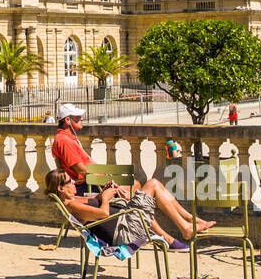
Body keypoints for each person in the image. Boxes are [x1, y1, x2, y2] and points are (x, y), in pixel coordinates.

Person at [45, 169, 215, 250]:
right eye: (69, 182)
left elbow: (95, 202)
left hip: (124, 223)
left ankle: (188, 220)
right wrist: (105, 198)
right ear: (60, 188)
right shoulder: (72, 206)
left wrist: (105, 191)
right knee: (153, 184)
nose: (74, 183)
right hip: (124, 232)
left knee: (154, 188)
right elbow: (103, 213)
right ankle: (186, 227)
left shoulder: (74, 200)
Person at [50, 103, 95, 189]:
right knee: (126, 189)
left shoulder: (66, 138)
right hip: (85, 185)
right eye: (77, 116)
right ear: (68, 120)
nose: (81, 118)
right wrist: (104, 179)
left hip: (88, 182)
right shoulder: (64, 141)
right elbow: (81, 170)